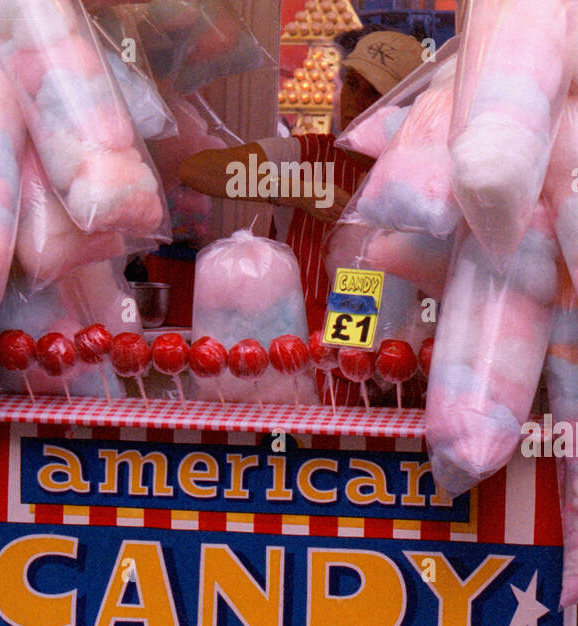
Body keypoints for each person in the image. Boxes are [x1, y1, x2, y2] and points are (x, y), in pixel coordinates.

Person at [180, 30, 424, 405]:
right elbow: (198, 170)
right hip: (294, 366)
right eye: (353, 84)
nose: (356, 102)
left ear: (403, 106)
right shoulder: (304, 154)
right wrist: (296, 189)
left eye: (375, 92)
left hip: (389, 367)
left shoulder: (420, 175)